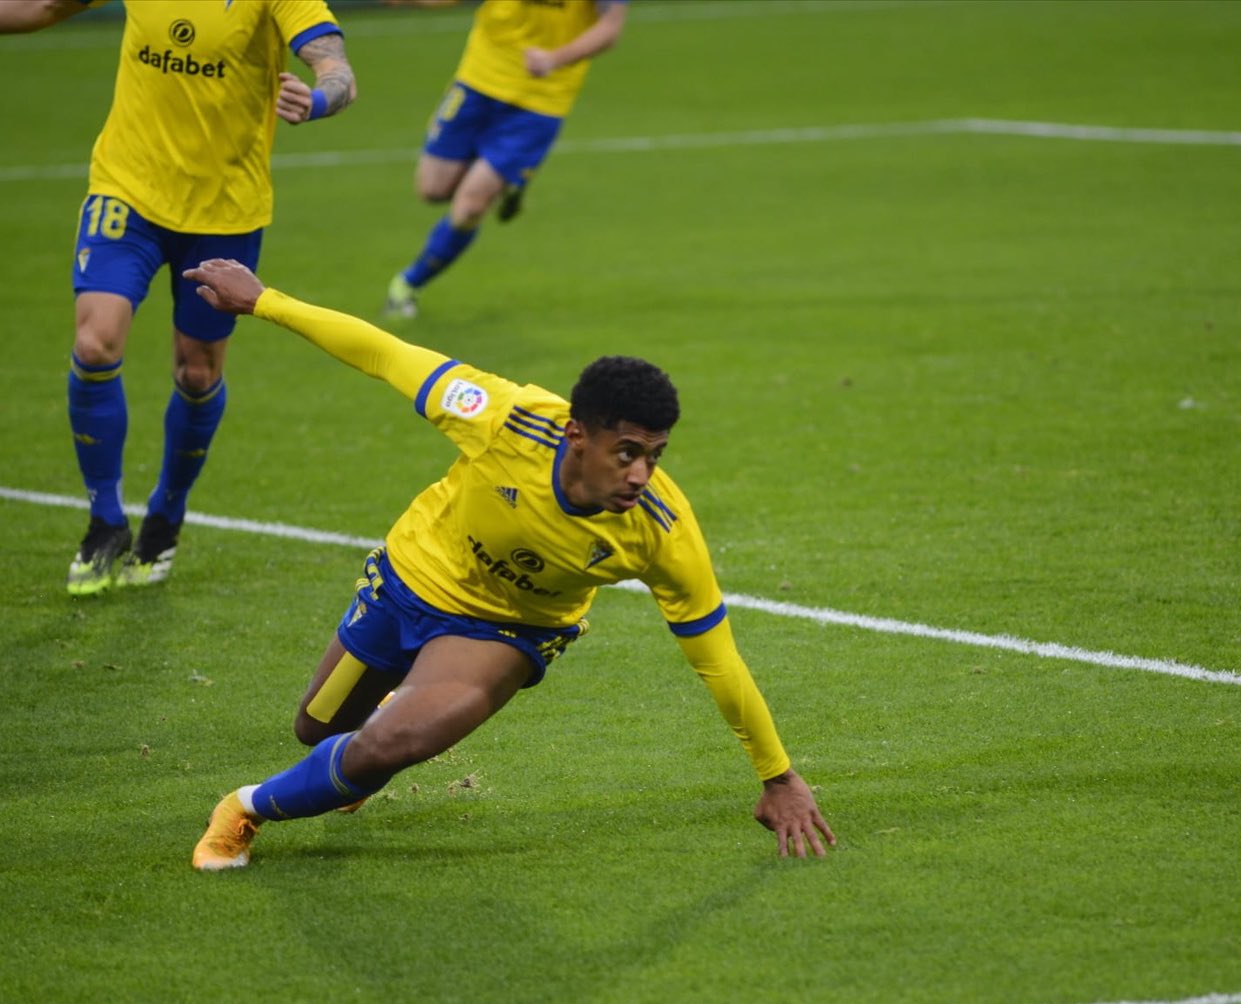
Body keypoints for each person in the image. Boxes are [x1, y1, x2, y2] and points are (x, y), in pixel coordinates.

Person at [183, 258, 835, 868]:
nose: (641, 474)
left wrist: (777, 775)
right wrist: (264, 301)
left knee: (389, 746)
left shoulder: (662, 531)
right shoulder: (503, 417)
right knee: (317, 729)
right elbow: (386, 354)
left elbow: (716, 657)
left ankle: (244, 808)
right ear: (577, 433)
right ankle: (382, 724)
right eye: (627, 451)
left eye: (655, 455)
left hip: (507, 631)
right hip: (412, 575)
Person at [0, 0, 357, 594]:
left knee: (197, 372)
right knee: (95, 342)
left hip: (225, 211)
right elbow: (38, 6)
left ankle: (166, 514)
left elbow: (336, 66)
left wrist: (319, 98)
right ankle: (104, 520)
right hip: (127, 189)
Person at [383, 0, 628, 319]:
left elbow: (610, 28)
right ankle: (504, 178)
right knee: (432, 190)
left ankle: (406, 285)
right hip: (477, 82)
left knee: (470, 206)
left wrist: (555, 59)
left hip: (541, 100)